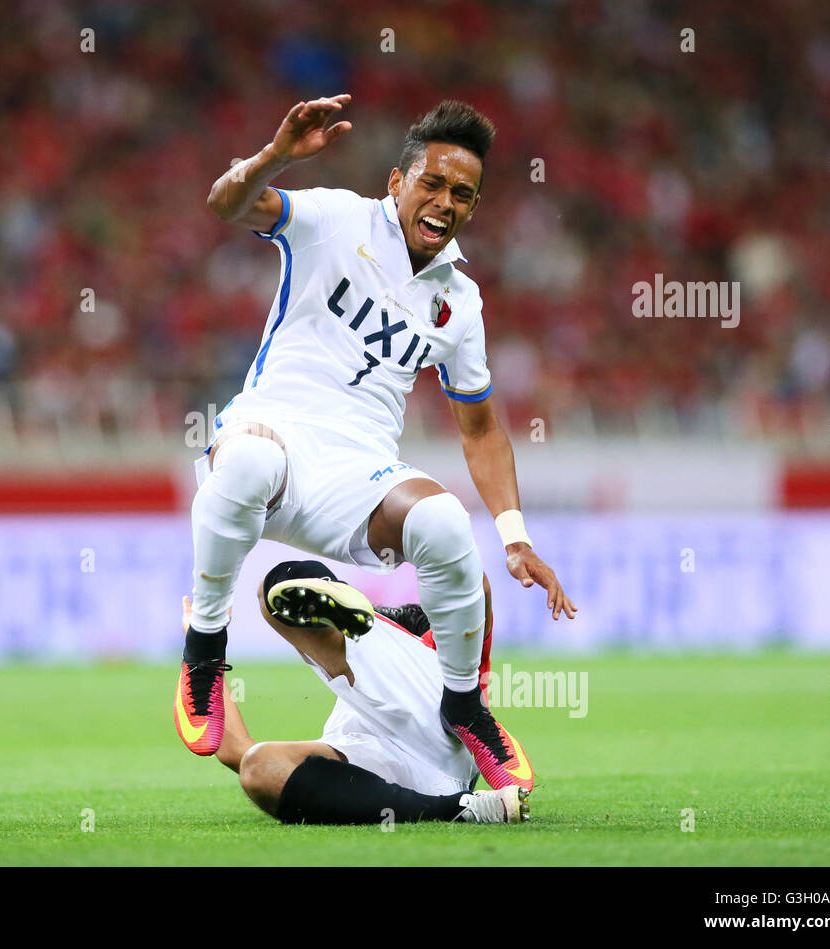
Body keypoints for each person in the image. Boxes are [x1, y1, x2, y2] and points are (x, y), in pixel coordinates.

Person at [175, 93, 576, 793]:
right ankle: (205, 648)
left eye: (463, 194)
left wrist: (514, 537)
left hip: (356, 476)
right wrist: (273, 158)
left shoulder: (461, 302)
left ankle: (463, 705)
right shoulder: (334, 219)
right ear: (397, 182)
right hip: (273, 430)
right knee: (248, 461)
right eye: (433, 183)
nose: (446, 202)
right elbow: (225, 206)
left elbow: (480, 428)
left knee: (446, 522)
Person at [190, 559, 528, 825]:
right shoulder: (359, 706)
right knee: (257, 768)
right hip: (422, 783)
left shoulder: (439, 653)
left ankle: (333, 593)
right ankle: (460, 809)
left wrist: (202, 643)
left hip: (440, 724)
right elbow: (234, 749)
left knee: (271, 592)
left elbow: (473, 584)